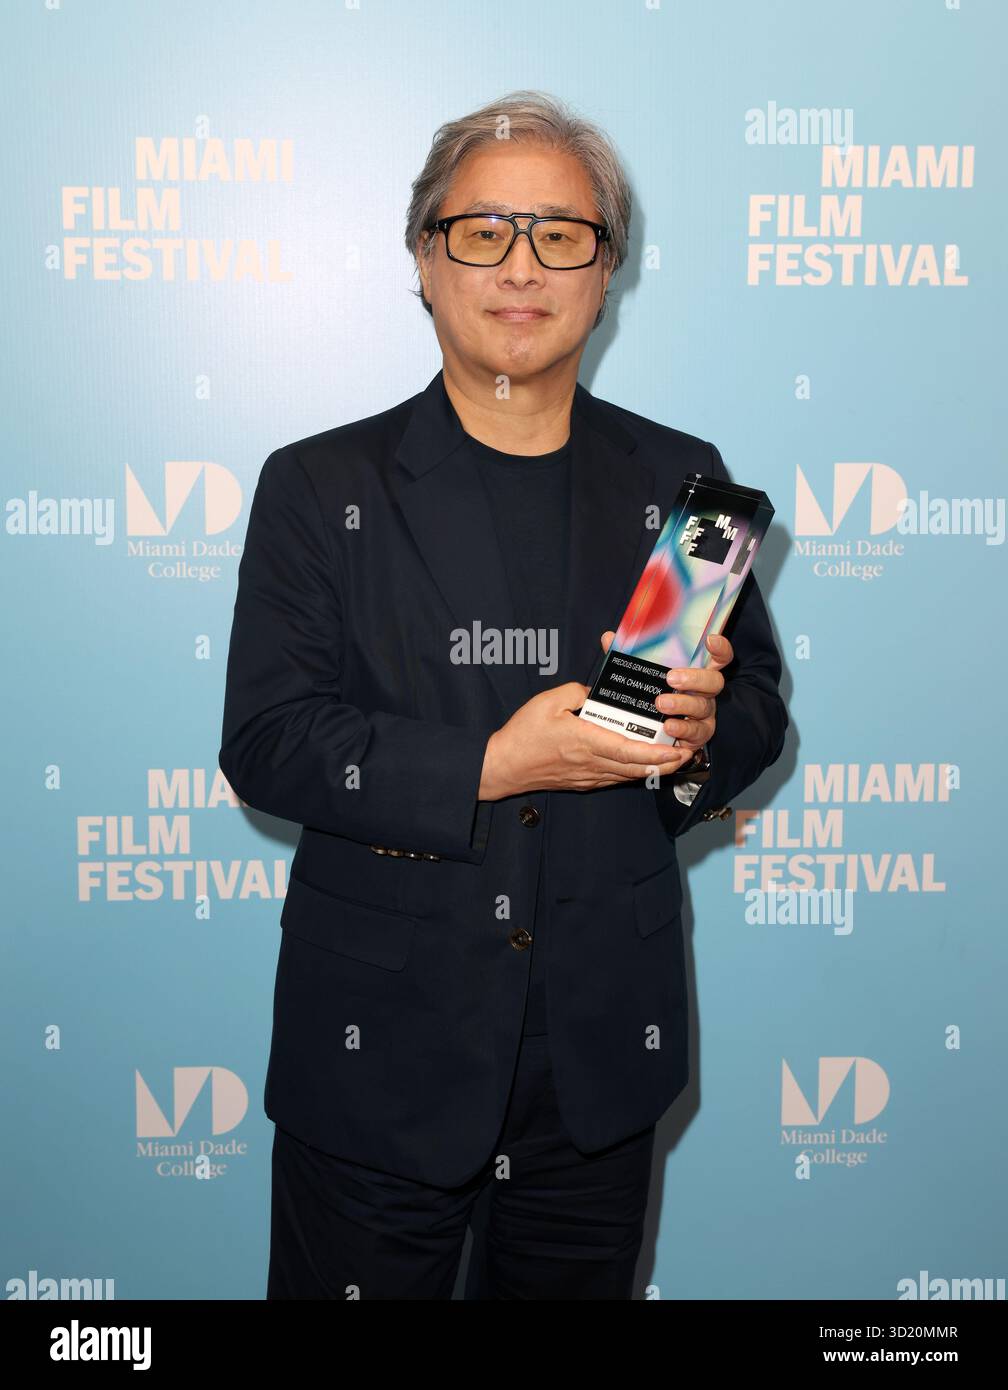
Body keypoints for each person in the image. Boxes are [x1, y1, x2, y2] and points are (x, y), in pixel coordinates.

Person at [218, 90, 788, 1300]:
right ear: (424, 259)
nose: (520, 266)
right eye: (481, 231)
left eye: (560, 234)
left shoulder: (678, 478)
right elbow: (268, 741)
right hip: (378, 1059)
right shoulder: (321, 486)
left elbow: (754, 715)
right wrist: (491, 764)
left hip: (595, 1060)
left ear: (607, 270)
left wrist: (690, 741)